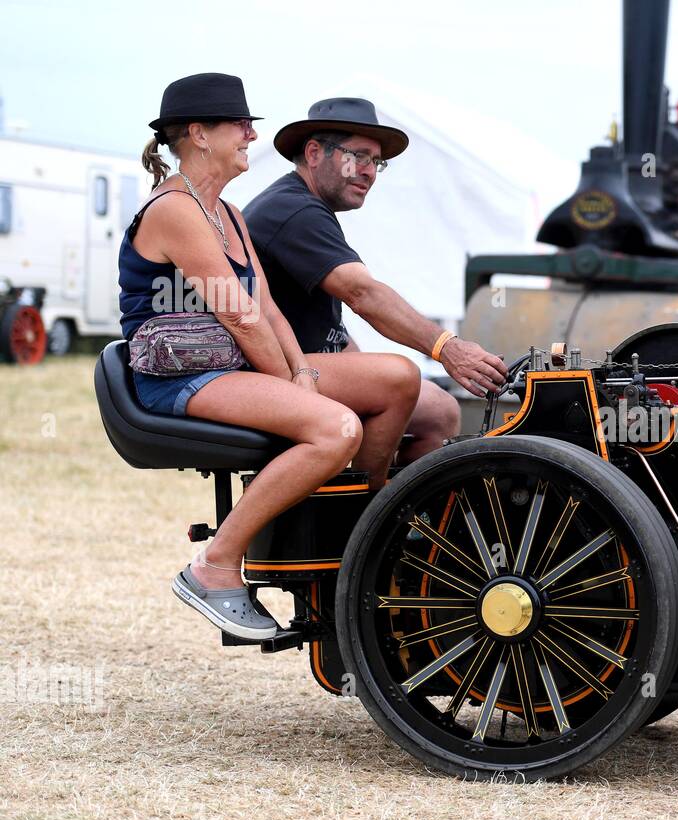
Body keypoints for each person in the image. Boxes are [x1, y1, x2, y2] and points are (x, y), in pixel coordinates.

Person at [124, 73, 421, 640]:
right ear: (199, 134)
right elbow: (239, 316)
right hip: (182, 376)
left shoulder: (228, 214)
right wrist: (294, 385)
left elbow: (269, 310)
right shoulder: (174, 209)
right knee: (335, 429)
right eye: (240, 125)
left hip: (228, 366)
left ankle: (359, 531)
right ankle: (212, 566)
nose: (251, 136)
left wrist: (301, 373)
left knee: (398, 379)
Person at [243, 98, 507, 463]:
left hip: (302, 362)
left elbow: (328, 326)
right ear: (315, 152)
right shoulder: (295, 210)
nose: (369, 171)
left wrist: (365, 370)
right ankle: (371, 514)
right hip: (273, 371)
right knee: (400, 378)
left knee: (439, 411)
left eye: (377, 162)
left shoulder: (302, 206)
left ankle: (394, 510)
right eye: (360, 156)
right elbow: (361, 292)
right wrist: (448, 347)